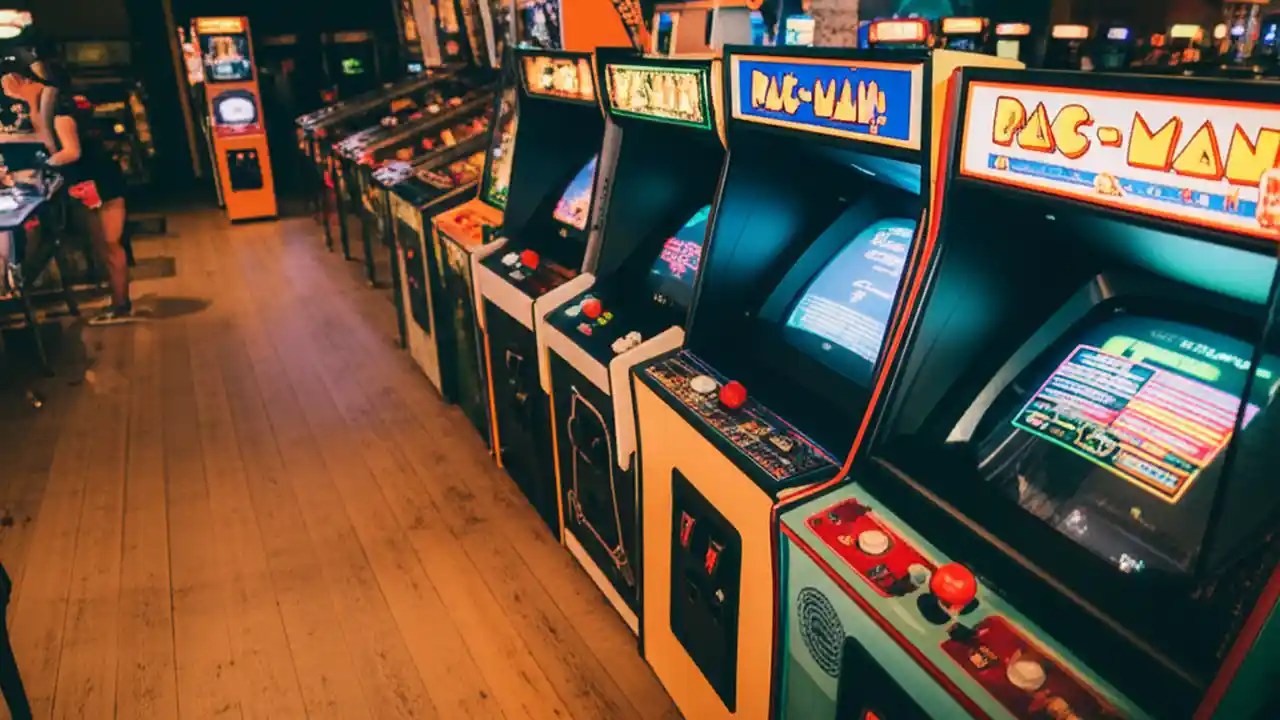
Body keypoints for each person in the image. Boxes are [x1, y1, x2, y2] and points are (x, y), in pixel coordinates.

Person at [0, 59, 131, 324]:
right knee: (104, 245)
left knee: (109, 245)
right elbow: (44, 138)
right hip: (90, 181)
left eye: (14, 85)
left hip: (99, 180)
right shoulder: (47, 105)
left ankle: (121, 306)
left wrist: (41, 167)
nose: (9, 92)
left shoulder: (61, 109)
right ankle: (120, 303)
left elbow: (71, 151)